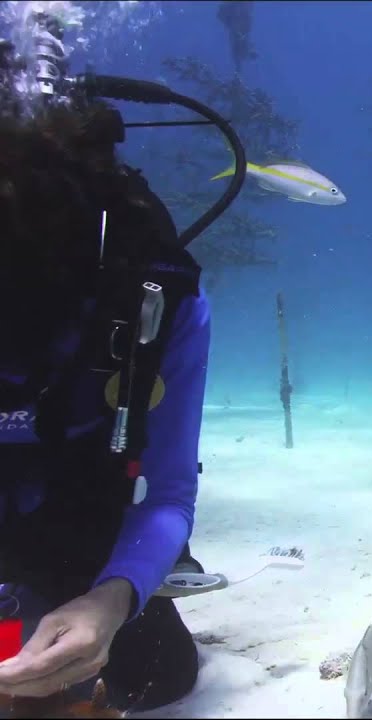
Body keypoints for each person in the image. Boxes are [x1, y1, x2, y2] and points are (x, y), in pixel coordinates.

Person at [0, 70, 209, 710]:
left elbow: (170, 492)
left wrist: (113, 597)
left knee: (152, 675)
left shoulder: (154, 295)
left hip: (84, 487)